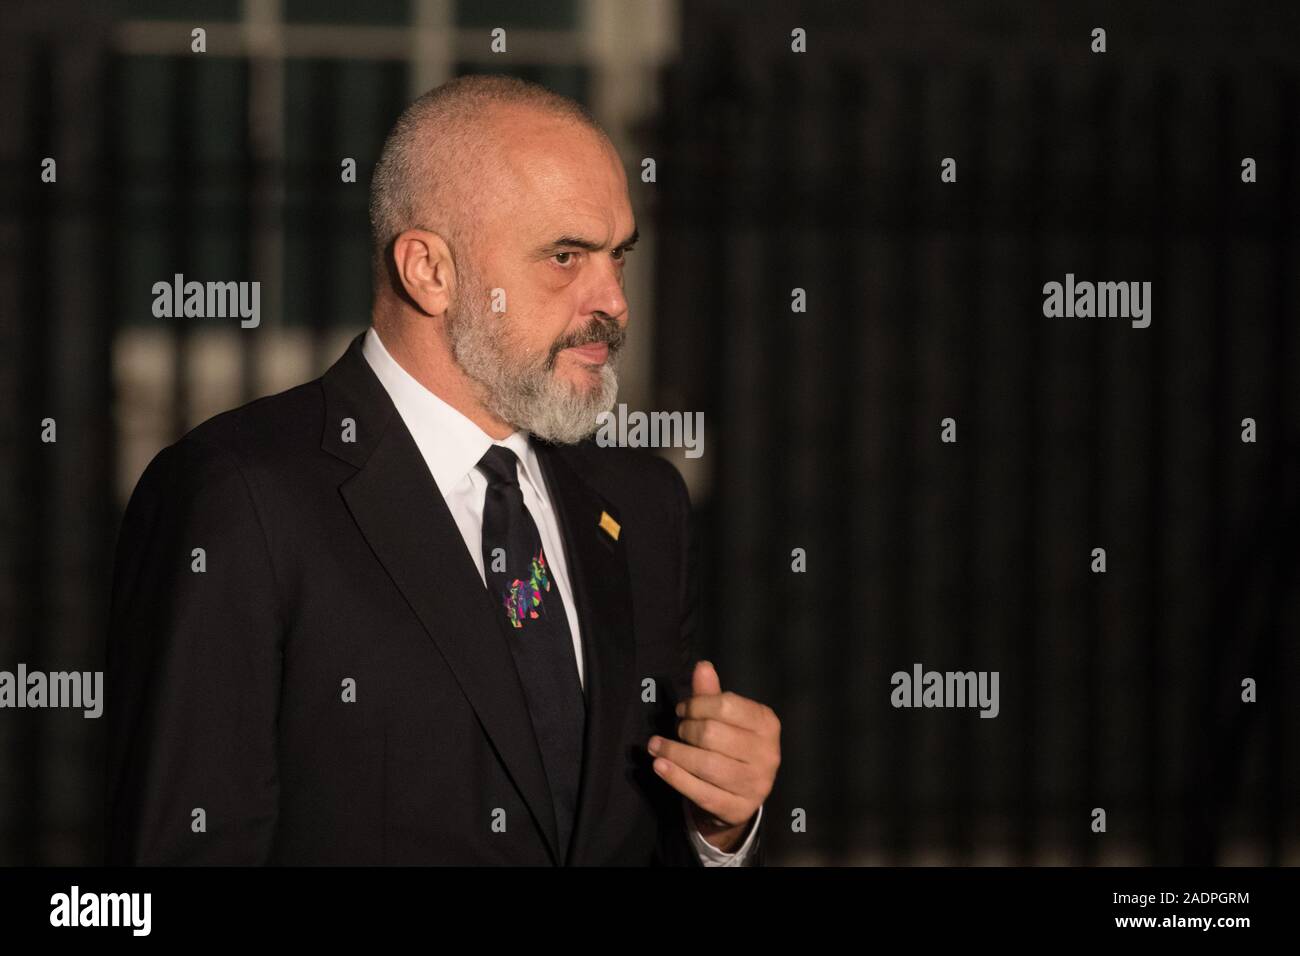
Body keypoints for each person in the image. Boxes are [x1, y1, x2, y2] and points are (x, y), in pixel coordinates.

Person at [105, 74, 781, 865]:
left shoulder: (642, 502)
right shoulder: (239, 495)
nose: (613, 302)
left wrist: (718, 828)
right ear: (429, 270)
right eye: (565, 256)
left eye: (617, 257)